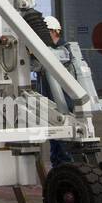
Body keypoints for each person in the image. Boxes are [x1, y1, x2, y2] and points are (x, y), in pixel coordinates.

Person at [37, 16, 75, 168]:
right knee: (55, 144)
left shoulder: (65, 49)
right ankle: (58, 173)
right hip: (50, 104)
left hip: (65, 104)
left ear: (55, 32)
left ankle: (68, 172)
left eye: (46, 33)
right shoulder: (44, 49)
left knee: (64, 145)